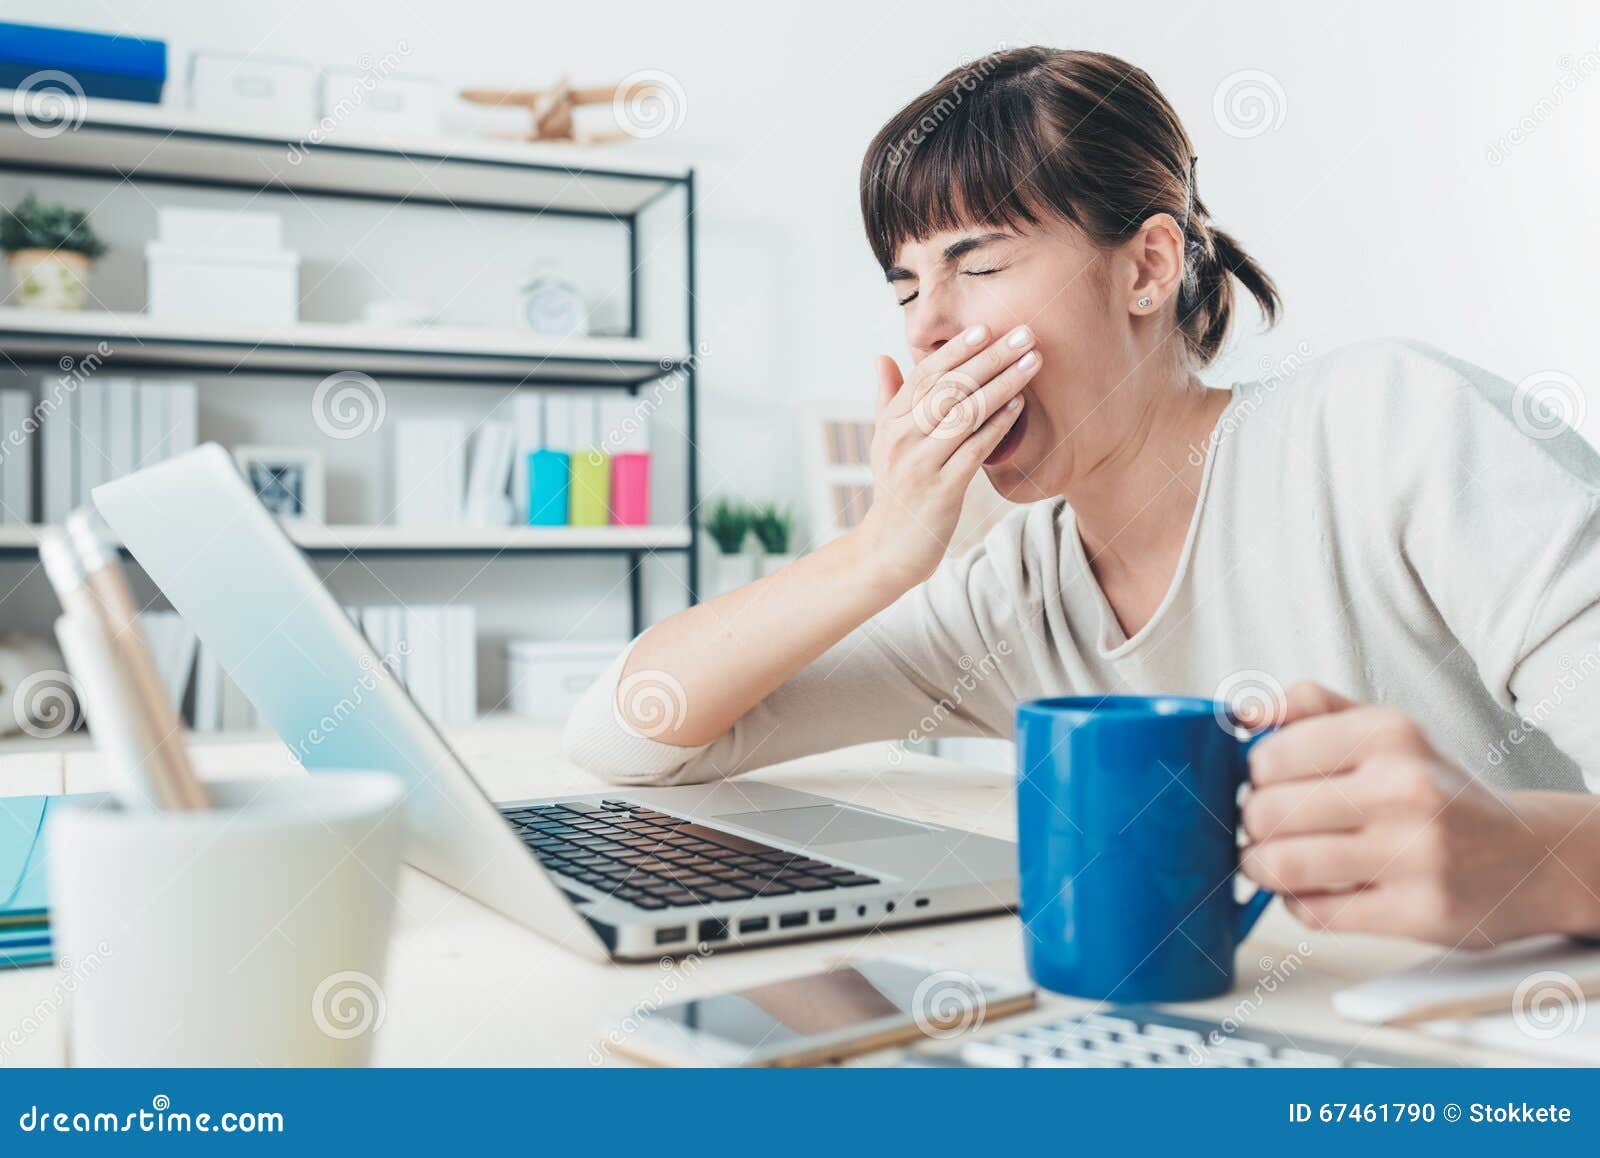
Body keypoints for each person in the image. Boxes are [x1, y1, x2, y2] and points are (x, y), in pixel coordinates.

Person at [566, 46, 1600, 947]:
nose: (926, 328)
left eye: (977, 262)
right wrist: (877, 551)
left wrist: (1530, 860)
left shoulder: (1390, 425)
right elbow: (634, 734)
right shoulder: (1012, 593)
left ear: (1148, 266)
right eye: (906, 287)